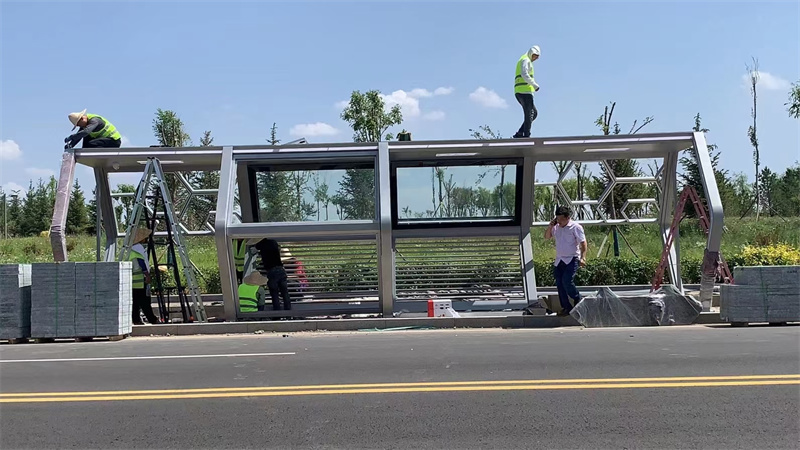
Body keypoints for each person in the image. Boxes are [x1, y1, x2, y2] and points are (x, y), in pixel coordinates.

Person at [544, 206, 587, 316]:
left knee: (567, 281)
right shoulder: (556, 227)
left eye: (561, 219)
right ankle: (566, 307)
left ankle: (577, 297)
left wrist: (583, 257)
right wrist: (550, 226)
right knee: (560, 284)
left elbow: (583, 243)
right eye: (557, 219)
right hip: (559, 260)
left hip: (572, 258)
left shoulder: (575, 227)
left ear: (568, 217)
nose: (559, 221)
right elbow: (547, 237)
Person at [129, 228, 160, 325]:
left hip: (133, 281)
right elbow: (141, 263)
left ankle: (136, 319)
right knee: (145, 301)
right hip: (140, 280)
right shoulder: (138, 248)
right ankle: (152, 319)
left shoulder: (130, 249)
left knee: (135, 302)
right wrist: (147, 275)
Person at [254, 238, 292, 311]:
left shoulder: (261, 243)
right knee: (285, 292)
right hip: (281, 269)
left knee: (274, 293)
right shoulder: (274, 242)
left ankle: (277, 312)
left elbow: (253, 250)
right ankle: (288, 311)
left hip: (271, 271)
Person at [512, 45, 540, 139]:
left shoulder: (524, 60)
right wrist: (535, 85)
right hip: (524, 91)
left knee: (533, 113)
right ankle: (526, 135)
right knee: (529, 113)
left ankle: (520, 133)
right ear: (531, 53)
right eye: (534, 56)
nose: (534, 59)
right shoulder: (525, 60)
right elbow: (524, 74)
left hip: (522, 91)